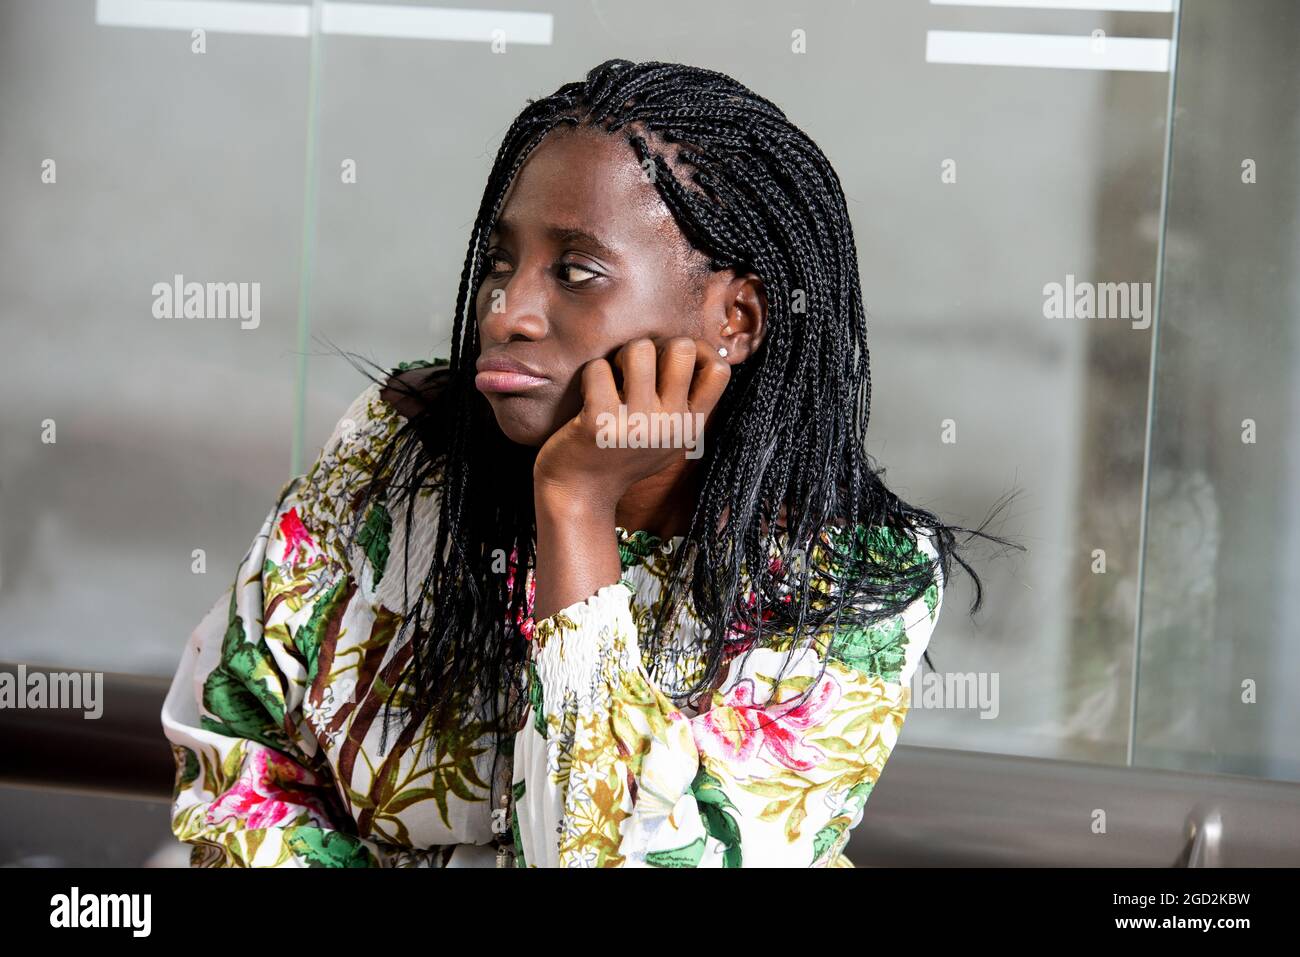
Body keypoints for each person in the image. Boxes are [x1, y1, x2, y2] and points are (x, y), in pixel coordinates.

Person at [160, 58, 1002, 868]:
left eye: (575, 271)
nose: (508, 309)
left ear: (734, 318)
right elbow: (240, 754)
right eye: (500, 261)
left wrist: (574, 506)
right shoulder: (399, 454)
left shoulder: (846, 579)